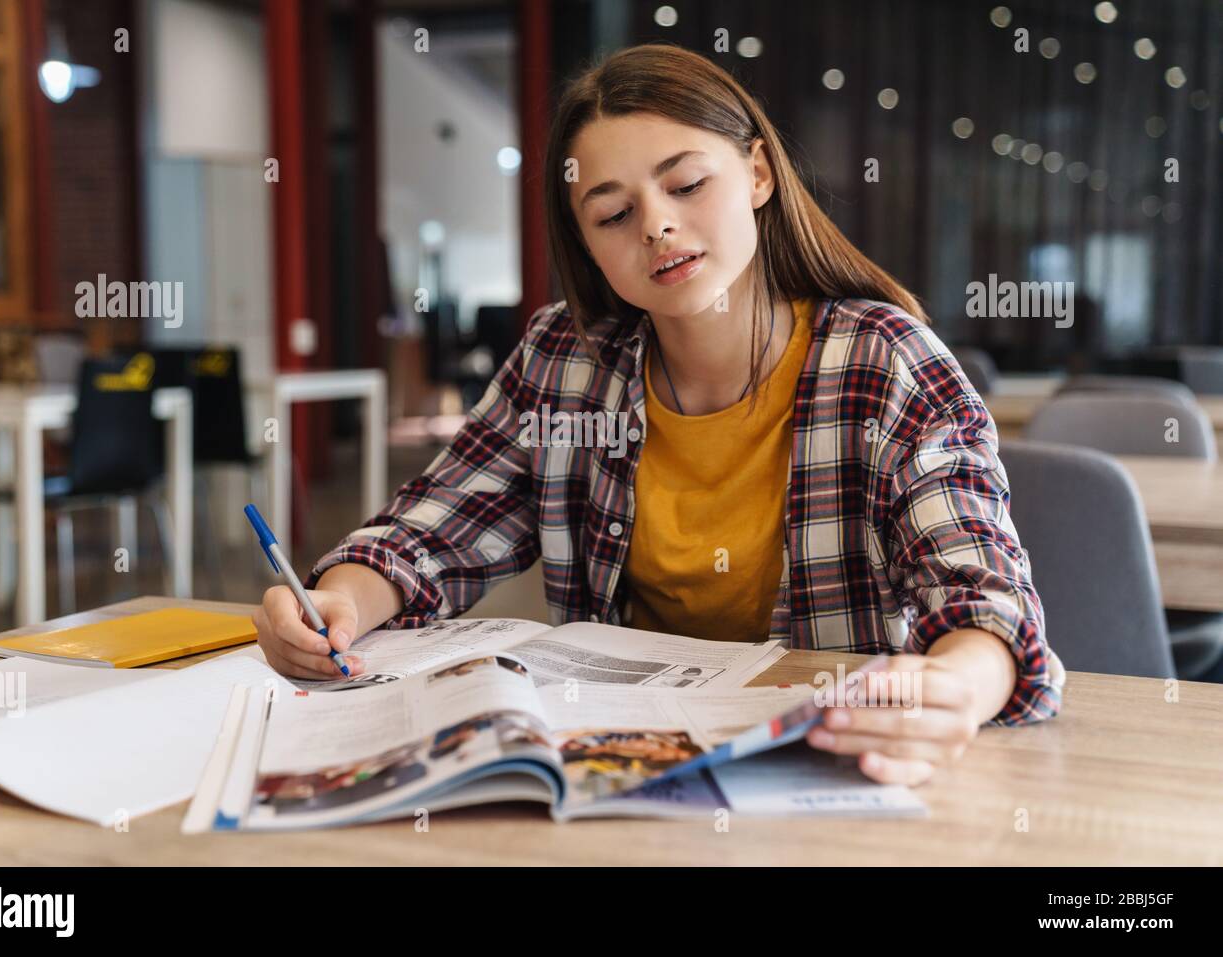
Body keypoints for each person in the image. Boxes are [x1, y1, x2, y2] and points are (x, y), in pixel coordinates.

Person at [253, 44, 1064, 786]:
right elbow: (429, 533)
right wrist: (343, 600)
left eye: (685, 184)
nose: (657, 225)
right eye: (613, 214)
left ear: (757, 173)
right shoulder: (565, 360)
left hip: (833, 769)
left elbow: (983, 595)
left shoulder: (883, 360)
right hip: (621, 766)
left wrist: (955, 683)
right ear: (587, 244)